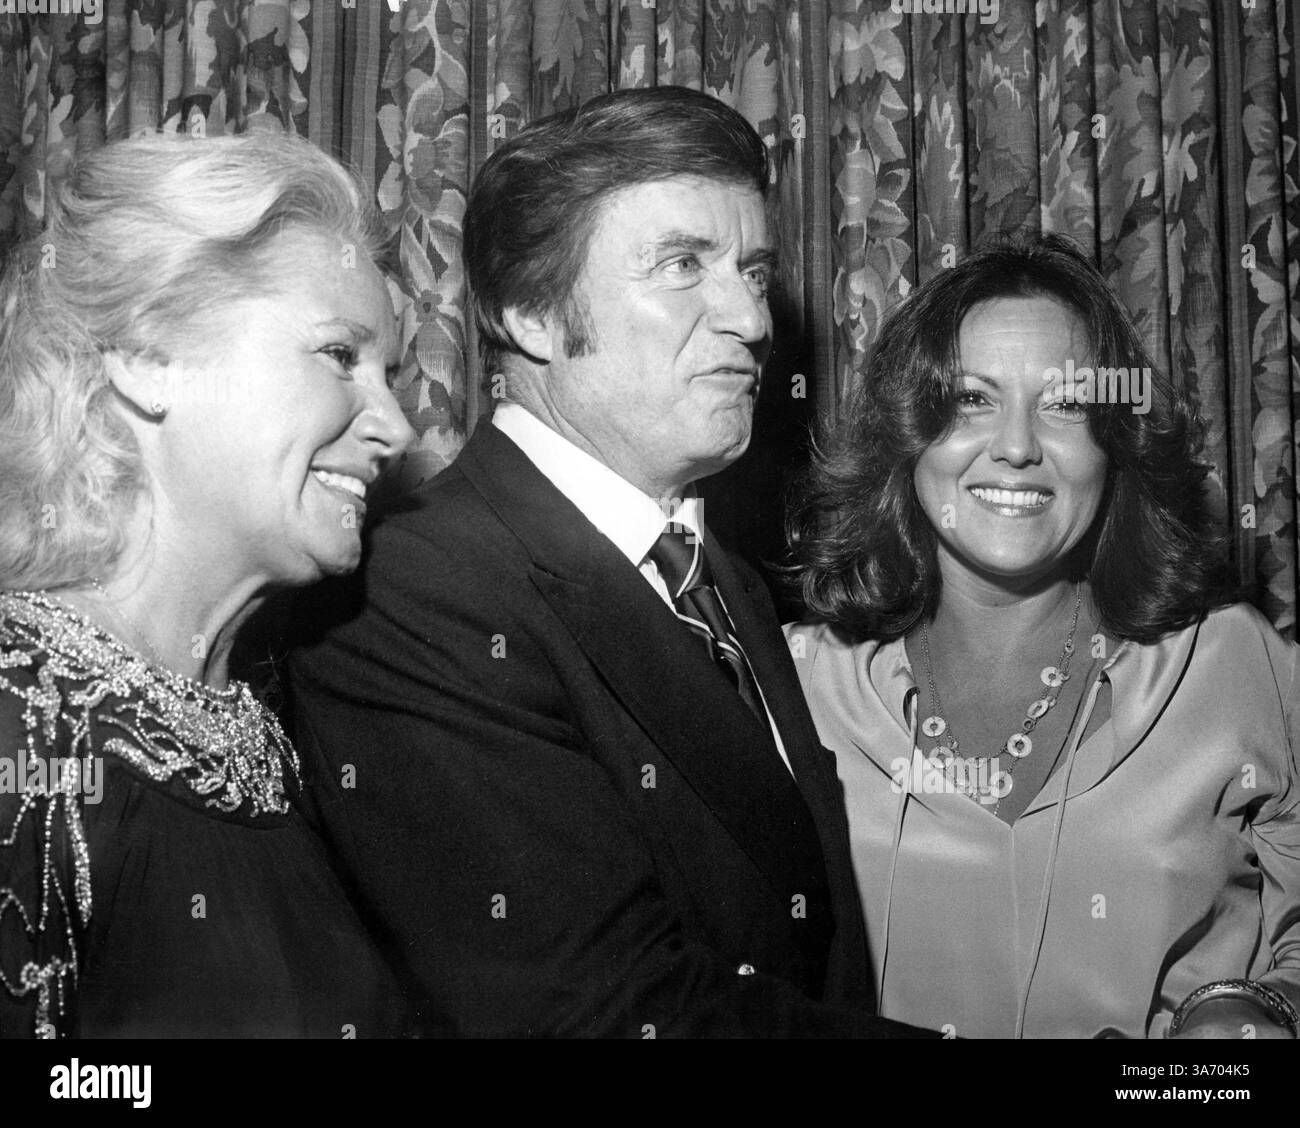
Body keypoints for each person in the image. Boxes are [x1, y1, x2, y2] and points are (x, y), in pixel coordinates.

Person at [285, 86, 933, 1038]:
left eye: (753, 271)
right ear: (530, 313)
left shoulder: (723, 578)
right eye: (682, 264)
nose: (750, 320)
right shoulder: (413, 592)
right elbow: (601, 1011)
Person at [784, 234, 1300, 1039]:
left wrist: (1250, 1009)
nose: (1018, 447)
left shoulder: (1233, 662)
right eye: (970, 401)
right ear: (907, 438)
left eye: (1063, 404)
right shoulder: (792, 688)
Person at [0, 131, 416, 1037]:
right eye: (341, 356)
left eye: (391, 374)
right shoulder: (20, 724)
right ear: (150, 357)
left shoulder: (263, 727)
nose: (396, 427)